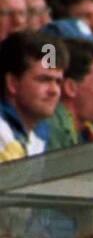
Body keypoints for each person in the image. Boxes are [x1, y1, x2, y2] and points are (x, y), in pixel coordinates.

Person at [0, 30, 66, 160]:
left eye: (58, 82)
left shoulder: (40, 131)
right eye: (44, 80)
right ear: (12, 83)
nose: (54, 90)